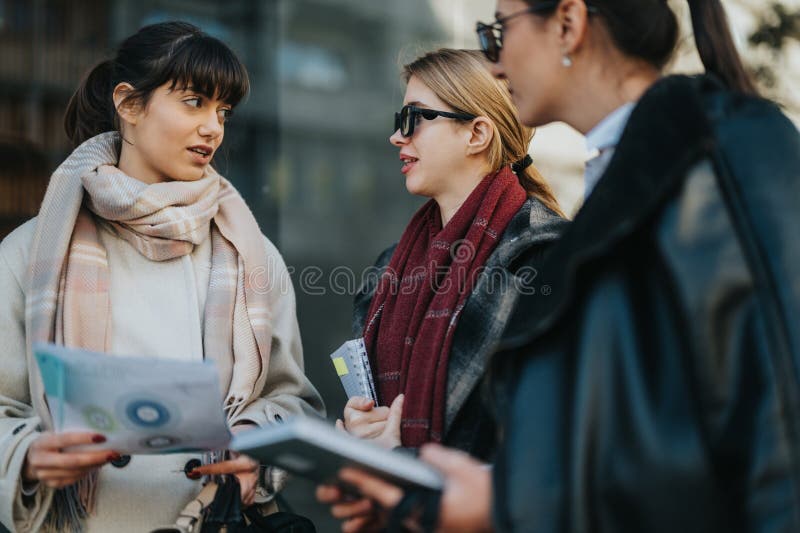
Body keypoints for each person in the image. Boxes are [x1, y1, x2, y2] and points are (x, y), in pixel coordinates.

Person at [327, 1, 800, 532]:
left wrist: (492, 500)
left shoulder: (719, 161)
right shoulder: (627, 185)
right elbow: (616, 440)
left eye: (498, 32)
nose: (497, 63)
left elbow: (769, 440)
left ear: (568, 24)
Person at [0, 21, 324, 532]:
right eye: (194, 101)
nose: (213, 127)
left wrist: (255, 461)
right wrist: (28, 455)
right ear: (129, 104)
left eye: (223, 111)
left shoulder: (252, 254)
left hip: (215, 519)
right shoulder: (29, 253)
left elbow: (293, 403)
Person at [318, 48, 567, 531]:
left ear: (477, 132)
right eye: (399, 119)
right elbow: (381, 406)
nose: (396, 136)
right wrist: (363, 426)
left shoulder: (547, 257)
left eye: (415, 119)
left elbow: (563, 447)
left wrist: (410, 464)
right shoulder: (388, 269)